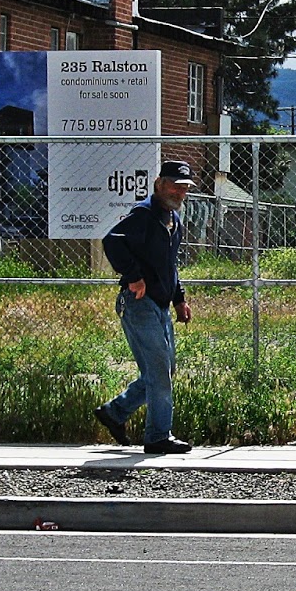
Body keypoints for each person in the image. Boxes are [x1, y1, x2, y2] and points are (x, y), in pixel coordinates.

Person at [94, 159, 197, 454]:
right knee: (159, 371)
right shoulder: (143, 215)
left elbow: (168, 266)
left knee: (164, 369)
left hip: (161, 305)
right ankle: (157, 437)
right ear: (159, 184)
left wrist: (179, 299)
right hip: (138, 304)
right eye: (174, 185)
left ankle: (115, 412)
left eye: (184, 187)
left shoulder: (172, 220)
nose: (179, 192)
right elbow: (112, 241)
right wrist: (133, 277)